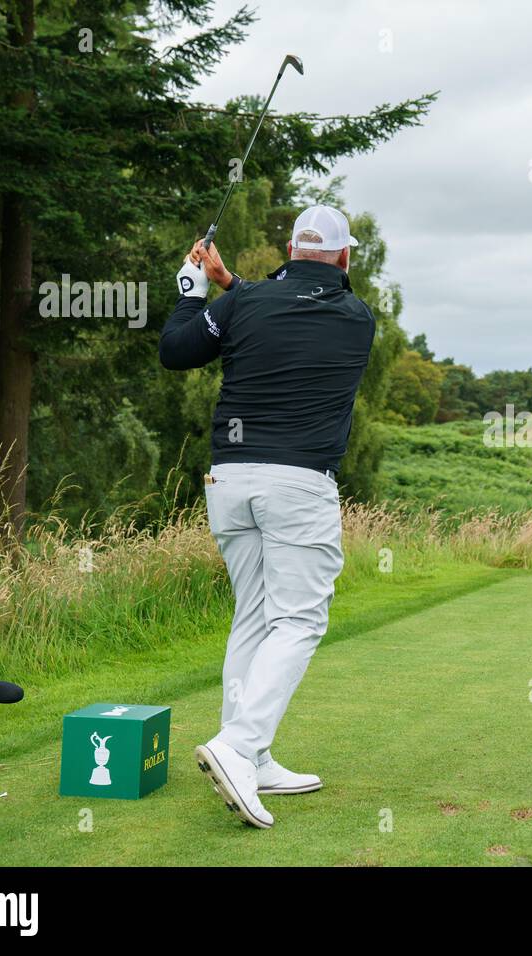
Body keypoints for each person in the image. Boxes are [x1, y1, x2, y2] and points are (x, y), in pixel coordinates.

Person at [160, 205, 373, 830]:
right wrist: (230, 287)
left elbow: (178, 350)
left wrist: (196, 288)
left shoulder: (242, 304)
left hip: (228, 480)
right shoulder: (356, 318)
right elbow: (299, 303)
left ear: (288, 245)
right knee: (300, 620)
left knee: (253, 616)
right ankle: (236, 744)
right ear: (345, 257)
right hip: (298, 484)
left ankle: (253, 755)